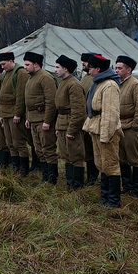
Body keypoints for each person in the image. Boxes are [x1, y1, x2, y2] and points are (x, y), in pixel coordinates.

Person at [82, 54, 123, 208]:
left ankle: (113, 199)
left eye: (91, 68)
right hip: (96, 128)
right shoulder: (99, 83)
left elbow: (111, 114)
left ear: (98, 69)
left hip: (106, 130)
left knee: (110, 164)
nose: (88, 70)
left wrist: (106, 136)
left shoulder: (110, 85)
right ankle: (104, 196)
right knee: (101, 164)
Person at [115, 55, 138, 198]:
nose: (116, 70)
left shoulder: (136, 85)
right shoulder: (117, 84)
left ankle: (136, 190)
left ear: (128, 70)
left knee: (134, 159)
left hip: (130, 127)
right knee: (122, 158)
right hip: (119, 127)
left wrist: (135, 127)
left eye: (120, 68)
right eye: (115, 67)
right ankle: (127, 186)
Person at [24, 51, 58, 185]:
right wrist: (28, 118)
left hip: (43, 120)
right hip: (33, 119)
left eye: (27, 64)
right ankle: (45, 177)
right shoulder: (31, 78)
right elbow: (29, 100)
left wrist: (47, 121)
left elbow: (51, 101)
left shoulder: (45, 78)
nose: (25, 67)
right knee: (38, 149)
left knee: (48, 149)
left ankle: (52, 178)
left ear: (36, 64)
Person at [54, 55, 87, 191]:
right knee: (66, 156)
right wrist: (58, 127)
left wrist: (72, 130)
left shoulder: (74, 85)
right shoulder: (63, 82)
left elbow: (78, 111)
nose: (55, 70)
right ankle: (70, 183)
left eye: (57, 67)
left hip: (70, 124)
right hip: (62, 124)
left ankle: (77, 185)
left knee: (75, 156)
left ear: (65, 69)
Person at [0, 51, 31, 174]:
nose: (2, 66)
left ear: (11, 61)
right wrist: (1, 114)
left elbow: (21, 95)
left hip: (14, 113)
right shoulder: (5, 74)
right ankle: (15, 166)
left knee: (19, 142)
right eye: (1, 64)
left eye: (4, 63)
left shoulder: (20, 73)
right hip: (5, 113)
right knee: (10, 142)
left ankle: (23, 168)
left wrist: (18, 113)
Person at [80, 52, 99, 185]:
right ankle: (91, 176)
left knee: (95, 150)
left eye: (85, 63)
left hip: (94, 119)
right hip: (85, 119)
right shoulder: (85, 78)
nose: (83, 65)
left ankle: (96, 177)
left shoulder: (97, 79)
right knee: (87, 150)